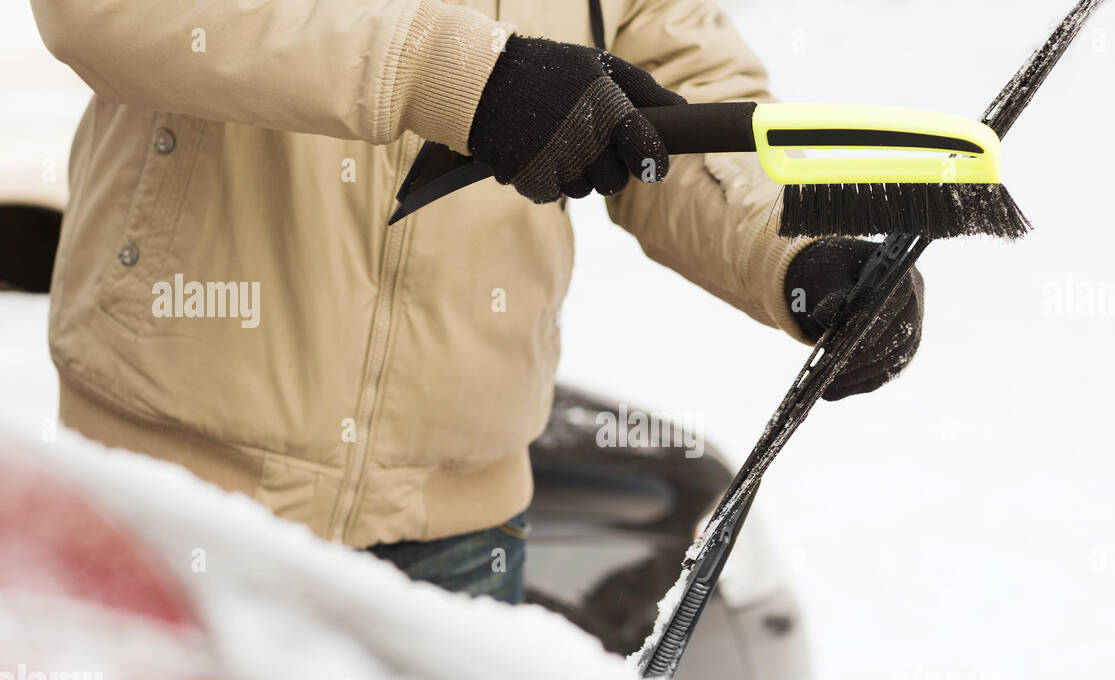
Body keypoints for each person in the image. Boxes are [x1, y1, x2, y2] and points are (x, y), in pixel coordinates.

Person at [30, 0, 922, 604]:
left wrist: (800, 242)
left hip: (457, 530)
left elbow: (676, 90)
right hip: (171, 496)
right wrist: (450, 74)